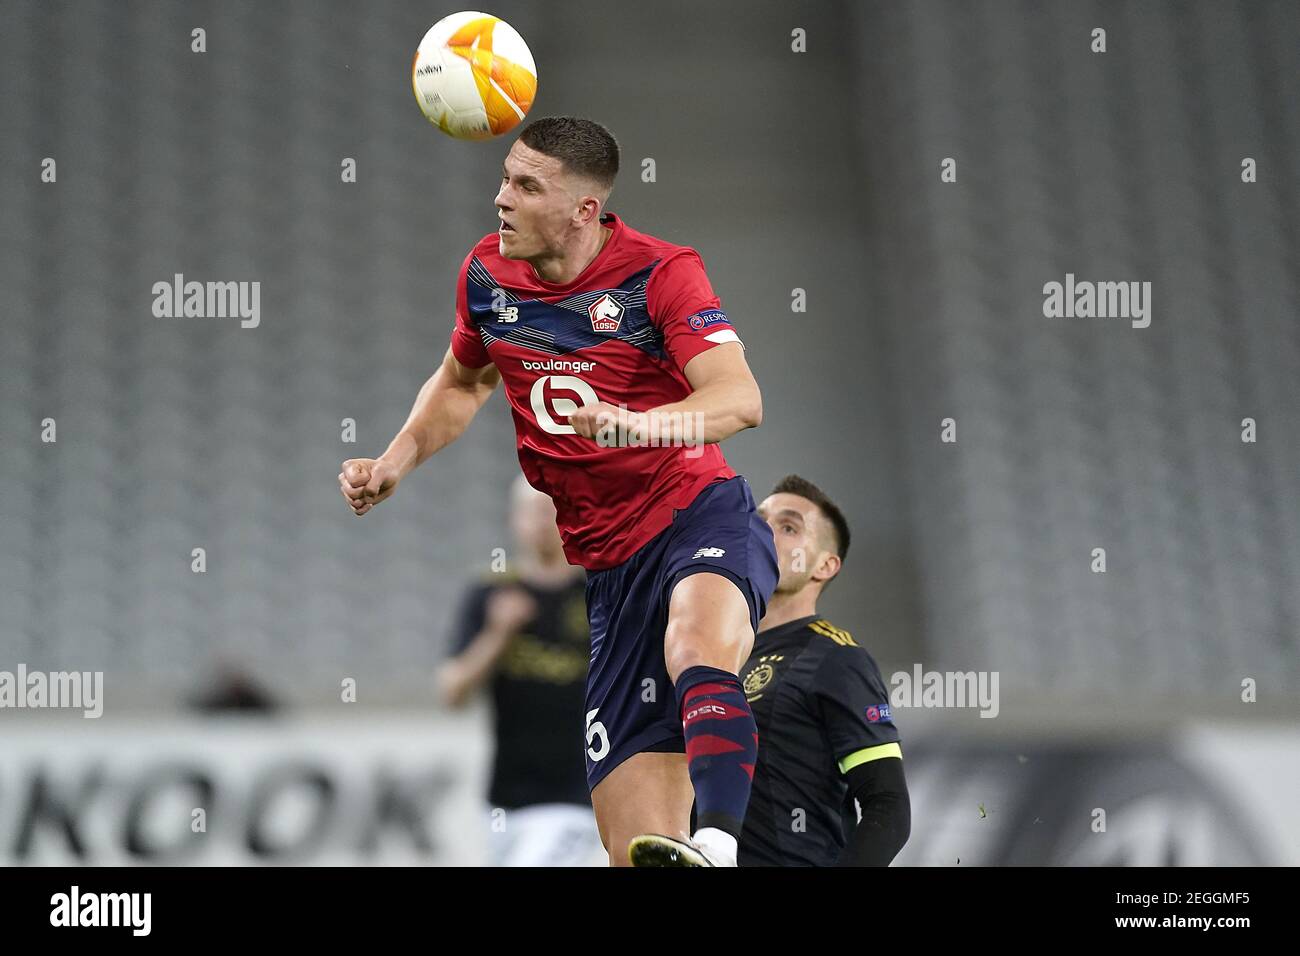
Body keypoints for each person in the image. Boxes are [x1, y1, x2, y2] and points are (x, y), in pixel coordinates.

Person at [339, 116, 777, 866]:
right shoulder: (486, 274)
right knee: (635, 849)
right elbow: (460, 382)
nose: (500, 198)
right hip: (607, 574)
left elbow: (741, 400)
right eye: (506, 177)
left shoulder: (661, 273)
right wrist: (393, 462)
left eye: (525, 185)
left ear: (584, 210)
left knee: (695, 644)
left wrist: (639, 426)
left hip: (696, 515)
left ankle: (721, 843)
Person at [738, 475, 911, 866]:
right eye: (758, 518)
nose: (763, 531)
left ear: (824, 566)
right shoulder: (709, 655)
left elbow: (889, 807)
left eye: (788, 527)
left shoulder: (835, 658)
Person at [438, 476, 602, 866]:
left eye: (552, 510)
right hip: (504, 799)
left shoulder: (597, 594)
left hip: (577, 793)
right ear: (515, 519)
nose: (543, 521)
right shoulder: (489, 593)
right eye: (533, 511)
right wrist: (497, 634)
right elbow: (452, 693)